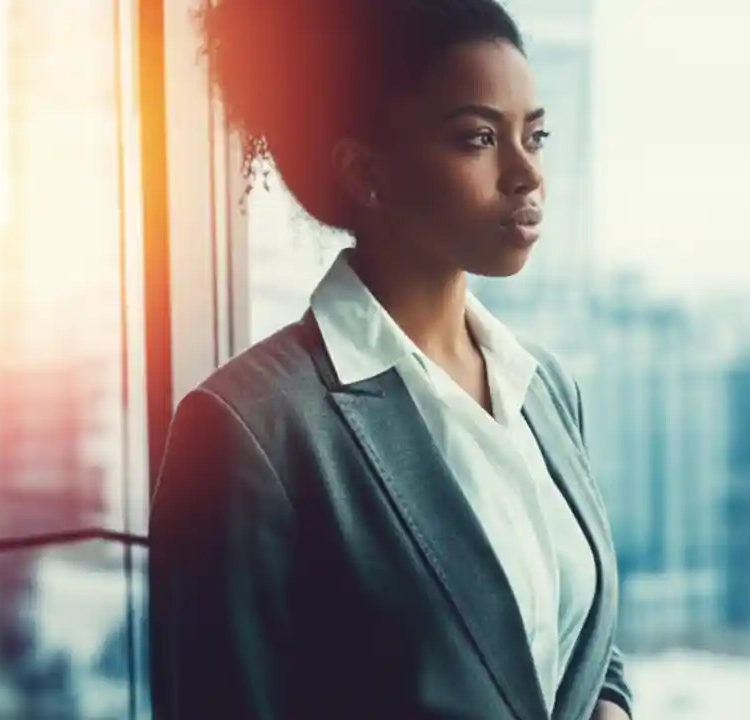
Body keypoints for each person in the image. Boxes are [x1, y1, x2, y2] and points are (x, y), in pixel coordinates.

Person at [147, 1, 633, 718]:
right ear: (365, 168)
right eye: (477, 139)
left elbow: (575, 643)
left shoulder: (545, 387)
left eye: (536, 135)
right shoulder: (247, 431)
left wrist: (613, 707)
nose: (527, 174)